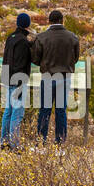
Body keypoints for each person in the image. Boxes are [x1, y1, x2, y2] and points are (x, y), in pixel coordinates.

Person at [31, 9, 80, 144]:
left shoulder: (41, 37)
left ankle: (41, 142)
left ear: (49, 21)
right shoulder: (73, 37)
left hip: (47, 77)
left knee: (45, 109)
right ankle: (60, 142)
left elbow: (35, 59)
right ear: (62, 20)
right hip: (65, 77)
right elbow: (75, 58)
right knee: (61, 110)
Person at [0, 12, 33, 150]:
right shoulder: (23, 42)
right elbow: (22, 62)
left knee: (8, 111)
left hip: (8, 78)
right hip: (19, 80)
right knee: (17, 113)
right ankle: (15, 144)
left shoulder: (10, 38)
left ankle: (4, 141)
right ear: (27, 24)